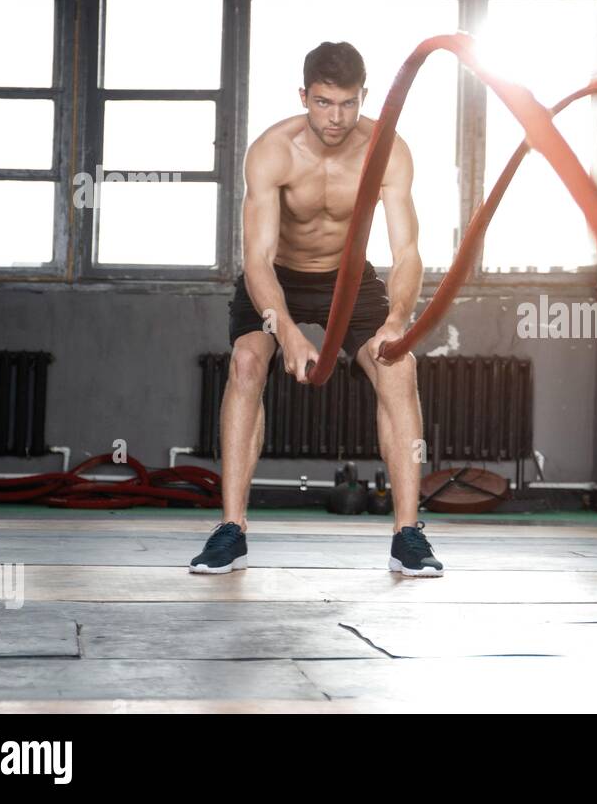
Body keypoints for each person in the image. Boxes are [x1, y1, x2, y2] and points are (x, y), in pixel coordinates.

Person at [190, 41, 443, 577]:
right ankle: (230, 530)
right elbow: (256, 259)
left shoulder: (387, 150)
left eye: (348, 104)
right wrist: (285, 331)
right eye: (325, 103)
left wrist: (396, 321)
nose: (336, 117)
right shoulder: (272, 151)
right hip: (278, 277)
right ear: (304, 96)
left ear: (364, 97)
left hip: (350, 282)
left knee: (400, 368)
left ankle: (408, 535)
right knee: (245, 363)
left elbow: (407, 252)